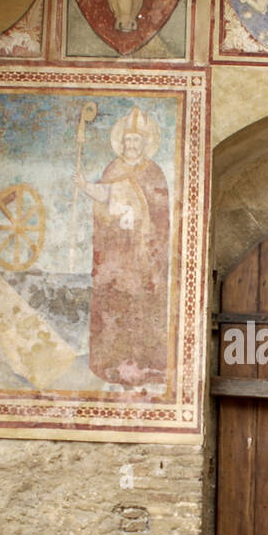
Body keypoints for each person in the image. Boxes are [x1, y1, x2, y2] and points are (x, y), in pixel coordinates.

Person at [75, 105, 170, 387]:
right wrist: (87, 188)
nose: (131, 145)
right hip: (116, 256)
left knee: (140, 305)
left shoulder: (154, 171)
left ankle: (142, 360)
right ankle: (111, 361)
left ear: (145, 143)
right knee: (113, 304)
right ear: (122, 143)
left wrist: (141, 215)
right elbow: (102, 207)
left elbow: (162, 211)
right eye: (127, 141)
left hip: (143, 256)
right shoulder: (113, 169)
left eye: (136, 141)